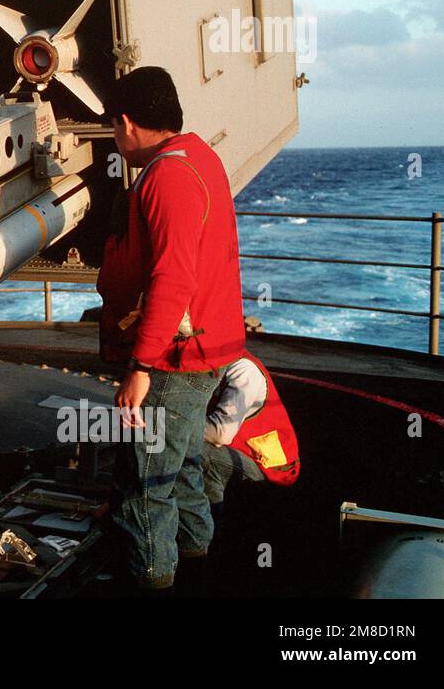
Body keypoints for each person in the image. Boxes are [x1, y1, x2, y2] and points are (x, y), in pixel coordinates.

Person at [96, 66, 246, 594]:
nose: (116, 140)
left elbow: (172, 279)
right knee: (179, 467)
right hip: (204, 348)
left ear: (128, 124)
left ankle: (153, 580)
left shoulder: (167, 177)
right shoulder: (198, 158)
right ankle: (196, 558)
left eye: (114, 128)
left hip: (174, 360)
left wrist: (139, 368)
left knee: (143, 485)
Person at [203, 350, 300, 509]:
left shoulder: (244, 369)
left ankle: (205, 527)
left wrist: (174, 427)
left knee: (195, 451)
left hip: (266, 470)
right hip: (235, 450)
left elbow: (220, 433)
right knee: (161, 444)